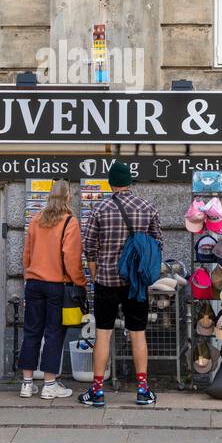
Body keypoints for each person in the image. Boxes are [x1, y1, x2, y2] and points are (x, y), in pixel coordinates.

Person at [79, 161, 162, 407]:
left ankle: (97, 391)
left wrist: (95, 273)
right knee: (138, 333)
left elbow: (89, 246)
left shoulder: (100, 208)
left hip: (106, 280)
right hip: (135, 282)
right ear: (129, 182)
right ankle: (143, 390)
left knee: (103, 333)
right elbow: (157, 243)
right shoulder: (147, 207)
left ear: (110, 182)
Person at [18, 180, 85, 399]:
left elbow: (26, 254)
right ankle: (49, 384)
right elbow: (72, 258)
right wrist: (80, 283)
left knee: (31, 331)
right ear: (68, 197)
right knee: (54, 333)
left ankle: (27, 383)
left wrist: (30, 274)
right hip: (58, 285)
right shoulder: (69, 222)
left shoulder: (36, 220)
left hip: (34, 283)